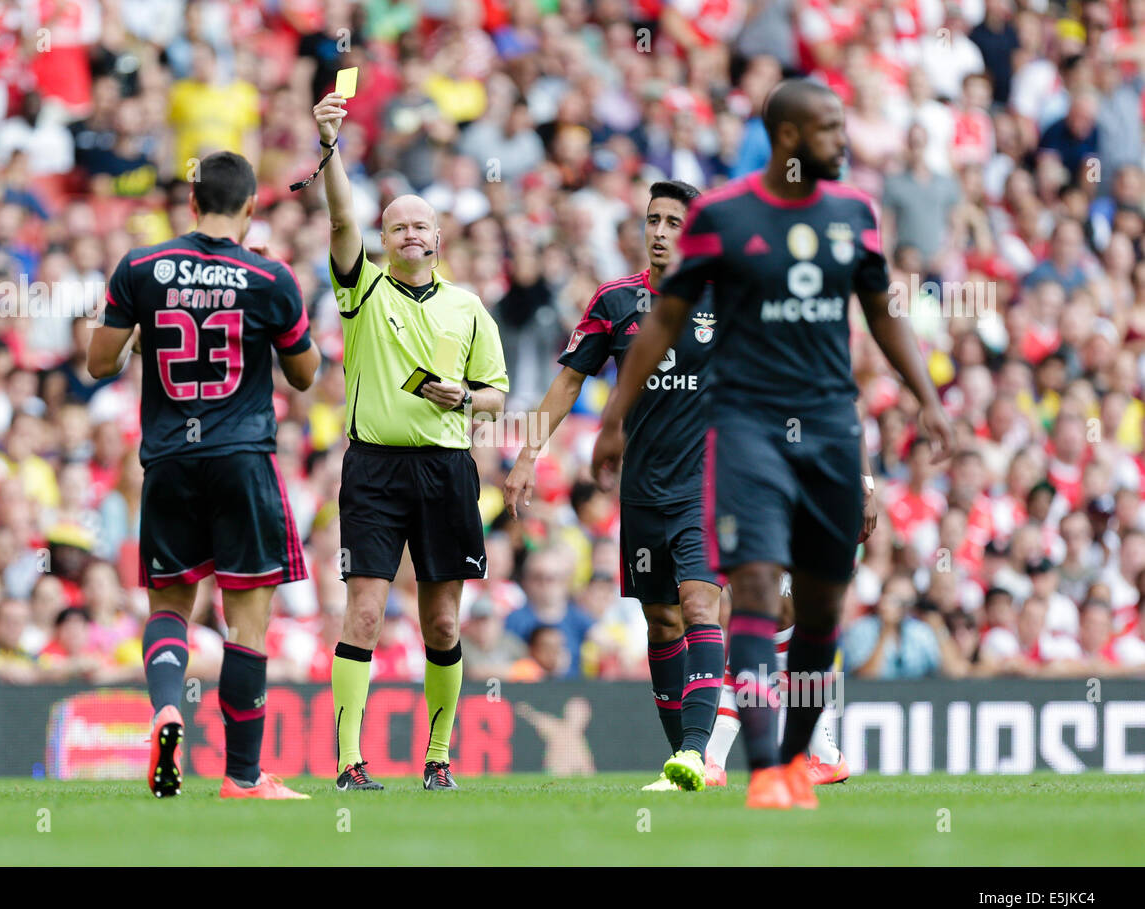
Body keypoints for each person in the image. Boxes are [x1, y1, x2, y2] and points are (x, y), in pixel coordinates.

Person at [592, 79, 953, 809]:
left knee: (808, 608)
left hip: (823, 427)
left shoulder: (855, 214)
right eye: (828, 129)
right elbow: (664, 322)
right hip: (750, 431)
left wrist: (924, 402)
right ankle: (757, 765)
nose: (842, 143)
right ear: (788, 136)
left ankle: (815, 752)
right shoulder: (725, 218)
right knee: (748, 594)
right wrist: (613, 417)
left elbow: (881, 315)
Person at [87, 150, 321, 801]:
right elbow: (306, 376)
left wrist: (149, 327)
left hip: (167, 460)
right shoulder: (269, 276)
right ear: (251, 207)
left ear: (191, 202)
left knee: (169, 606)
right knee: (246, 622)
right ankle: (242, 778)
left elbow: (98, 364)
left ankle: (166, 710)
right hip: (242, 459)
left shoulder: (139, 267)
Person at [313, 91, 510, 791]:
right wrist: (332, 147)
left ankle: (437, 758)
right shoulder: (362, 289)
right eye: (397, 227)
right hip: (373, 467)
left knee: (443, 624)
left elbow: (497, 393)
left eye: (420, 225)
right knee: (363, 610)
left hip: (447, 467)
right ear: (385, 239)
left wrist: (467, 398)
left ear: (438, 237)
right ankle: (347, 762)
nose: (409, 235)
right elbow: (340, 217)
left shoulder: (468, 307)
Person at [504, 180, 728, 792]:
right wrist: (528, 454)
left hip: (705, 489)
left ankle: (698, 752)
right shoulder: (616, 301)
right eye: (652, 220)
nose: (658, 231)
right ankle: (681, 762)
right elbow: (570, 382)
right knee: (661, 622)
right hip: (640, 491)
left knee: (699, 604)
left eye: (672, 222)